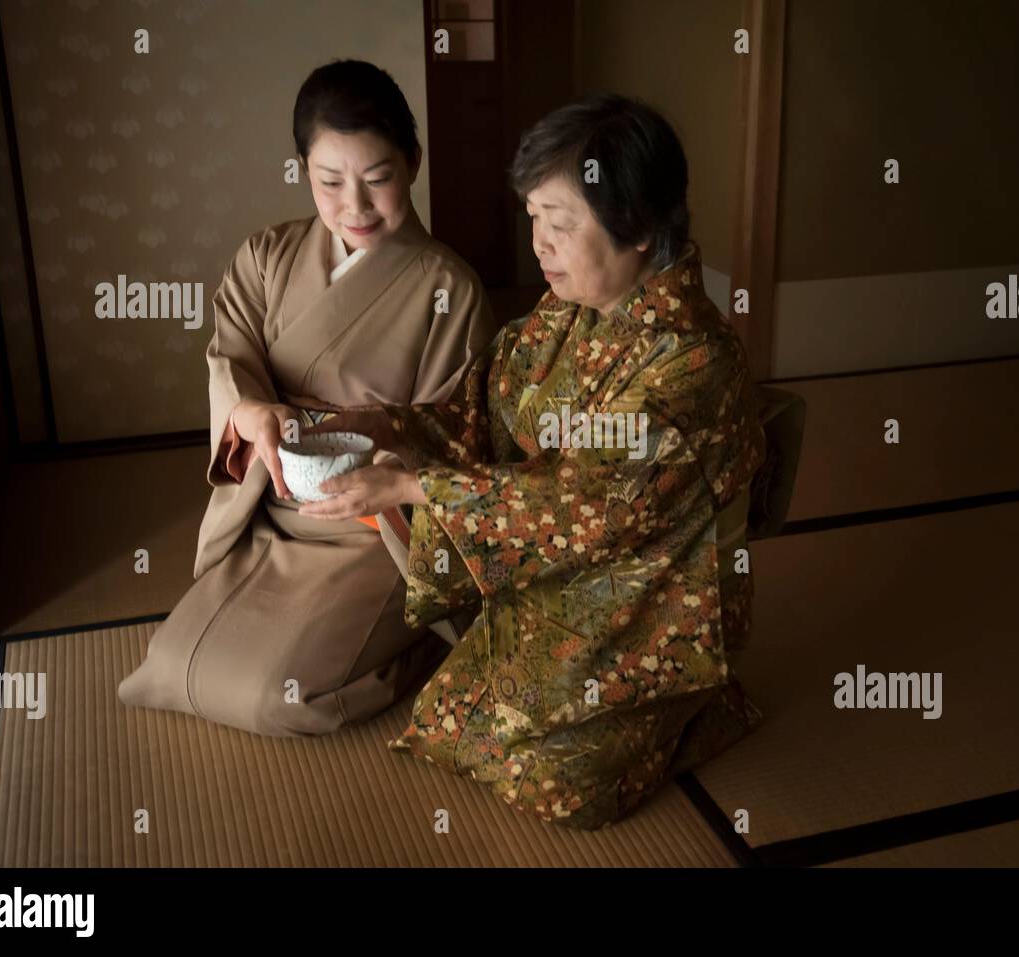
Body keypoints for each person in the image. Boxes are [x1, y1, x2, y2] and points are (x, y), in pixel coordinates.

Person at [296, 93, 766, 829]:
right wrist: (381, 423)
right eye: (534, 220)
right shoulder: (572, 307)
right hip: (566, 577)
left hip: (647, 602)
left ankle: (699, 704)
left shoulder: (694, 361)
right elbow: (477, 405)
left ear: (638, 227)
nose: (539, 244)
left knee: (559, 784)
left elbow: (592, 500)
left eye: (560, 223)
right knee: (457, 717)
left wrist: (417, 483)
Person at [117, 60, 495, 736]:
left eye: (378, 178)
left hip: (371, 526)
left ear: (412, 162)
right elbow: (230, 354)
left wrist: (380, 468)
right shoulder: (267, 256)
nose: (356, 205)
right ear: (302, 172)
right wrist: (252, 410)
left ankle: (421, 639)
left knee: (278, 697)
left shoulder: (450, 289)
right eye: (329, 182)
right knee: (173, 665)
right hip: (268, 498)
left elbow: (454, 431)